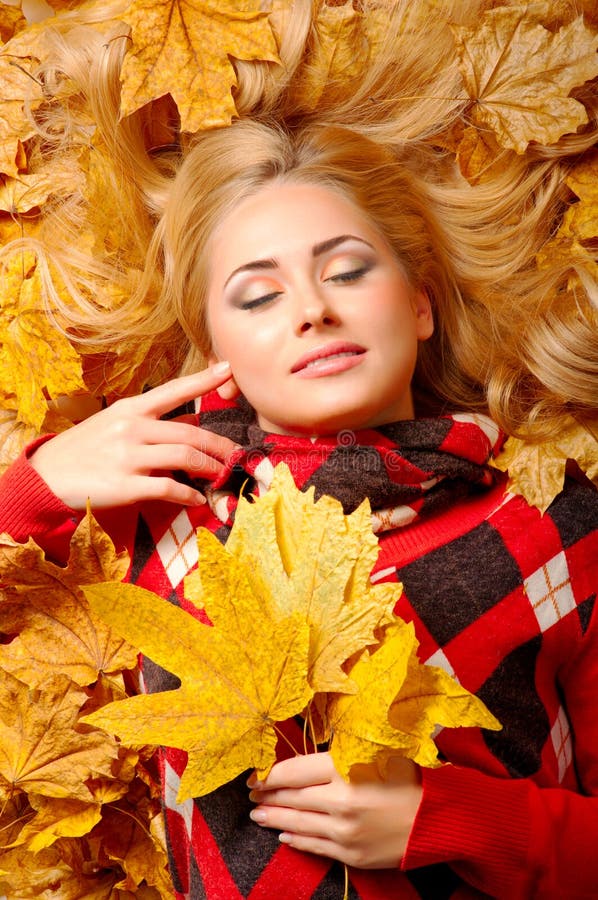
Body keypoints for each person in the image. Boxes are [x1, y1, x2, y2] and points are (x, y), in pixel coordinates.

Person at [1, 4, 597, 898]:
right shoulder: (158, 510)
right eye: (256, 295)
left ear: (421, 303)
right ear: (215, 352)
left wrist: (453, 819)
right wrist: (34, 490)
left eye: (348, 269)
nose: (312, 309)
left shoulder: (560, 524)